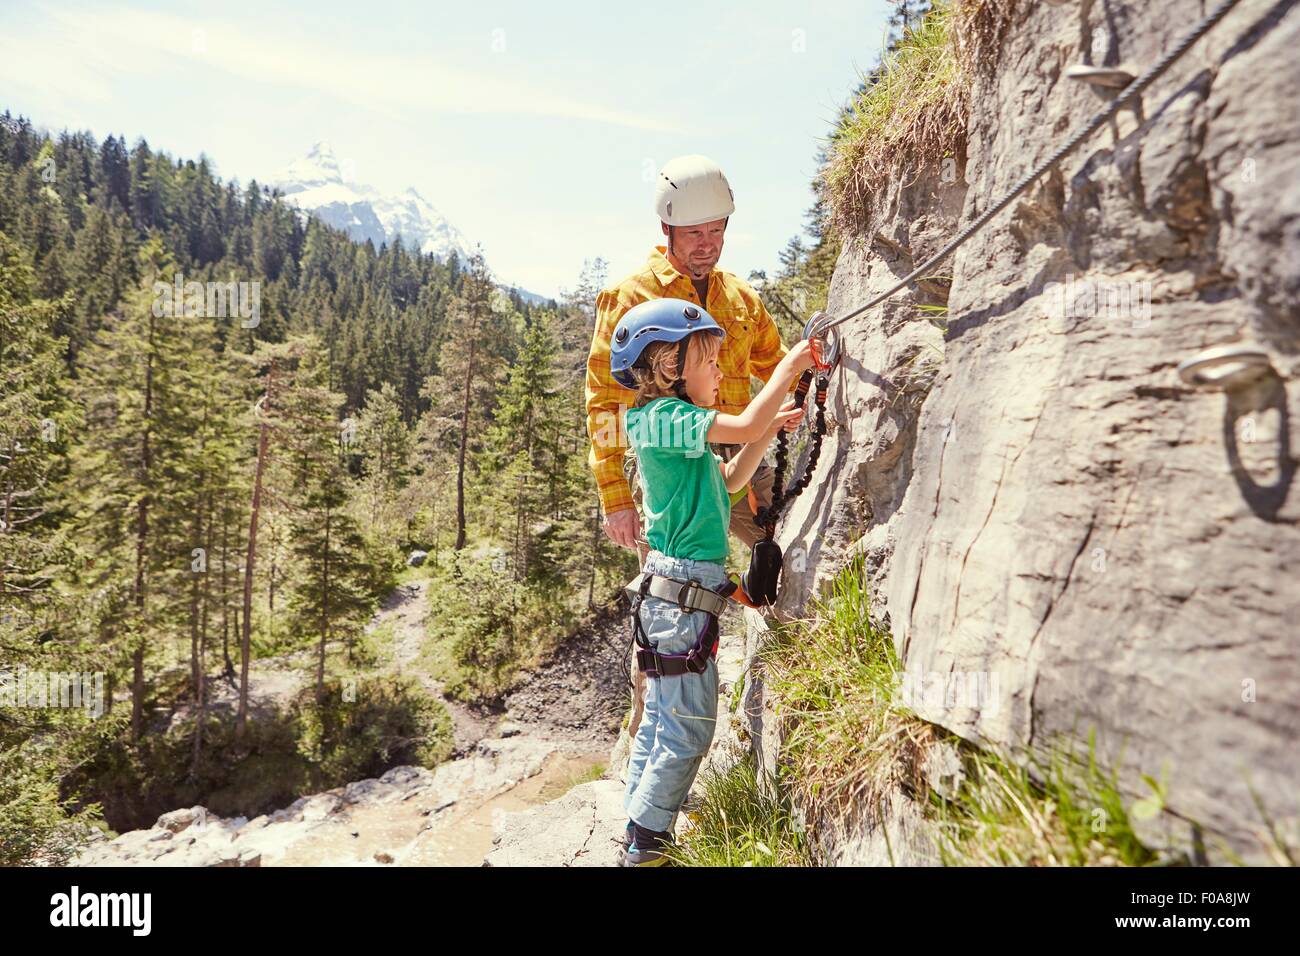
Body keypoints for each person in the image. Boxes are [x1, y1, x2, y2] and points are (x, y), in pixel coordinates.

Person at [585, 154, 796, 753]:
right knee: (672, 607)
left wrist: (806, 377)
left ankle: (785, 691)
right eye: (694, 234)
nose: (707, 245)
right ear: (667, 231)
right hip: (675, 472)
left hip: (738, 464)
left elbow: (769, 363)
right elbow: (605, 400)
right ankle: (647, 736)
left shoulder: (740, 299)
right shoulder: (630, 295)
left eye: (716, 231)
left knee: (775, 573)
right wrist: (616, 498)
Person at [611, 296, 815, 865]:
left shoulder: (669, 427)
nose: (720, 372)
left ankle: (636, 823)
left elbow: (727, 483)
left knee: (660, 718)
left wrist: (764, 432)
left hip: (671, 595)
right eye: (710, 363)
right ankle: (647, 847)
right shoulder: (662, 418)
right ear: (671, 366)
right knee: (690, 731)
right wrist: (787, 370)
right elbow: (744, 418)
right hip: (679, 598)